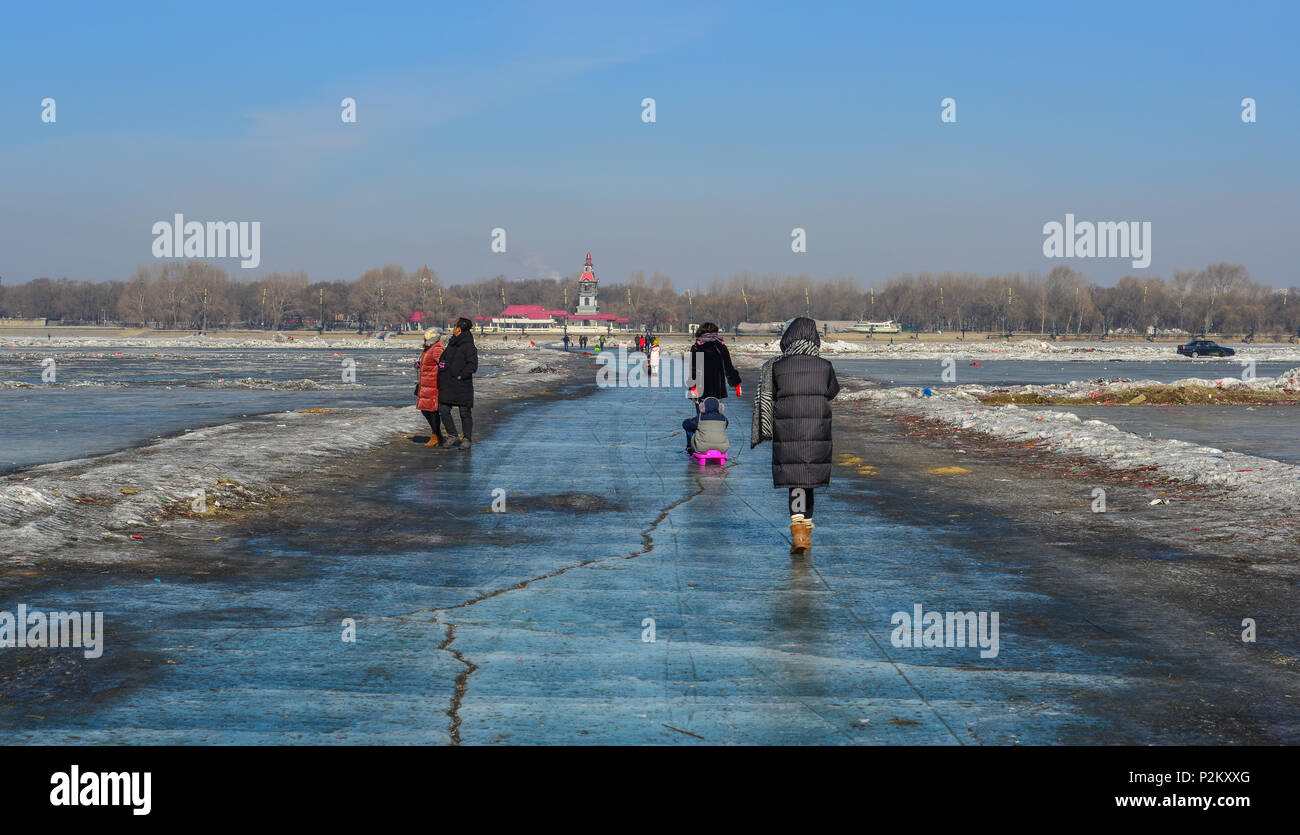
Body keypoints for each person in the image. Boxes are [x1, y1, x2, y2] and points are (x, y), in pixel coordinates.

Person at [750, 317, 839, 556]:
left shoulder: (778, 367)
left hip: (788, 431)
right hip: (817, 430)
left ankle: (798, 529)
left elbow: (772, 397)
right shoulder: (825, 366)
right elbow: (832, 391)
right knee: (809, 480)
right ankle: (805, 531)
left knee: (796, 480)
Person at [437, 317, 479, 450]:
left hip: (462, 384)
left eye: (455, 326)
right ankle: (452, 435)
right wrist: (442, 368)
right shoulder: (452, 343)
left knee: (464, 412)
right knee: (443, 409)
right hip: (447, 383)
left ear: (459, 329)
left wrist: (461, 376)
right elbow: (443, 358)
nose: (453, 328)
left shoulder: (468, 345)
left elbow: (473, 365)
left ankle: (467, 439)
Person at [688, 322, 742, 402]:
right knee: (714, 413)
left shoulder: (699, 347)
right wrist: (736, 384)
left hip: (703, 391)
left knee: (702, 413)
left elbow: (694, 370)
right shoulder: (718, 346)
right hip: (713, 391)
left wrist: (693, 387)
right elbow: (728, 367)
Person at [414, 329, 445, 447]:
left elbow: (444, 364)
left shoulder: (436, 349)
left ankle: (435, 436)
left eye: (425, 337)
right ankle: (437, 434)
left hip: (433, 385)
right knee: (426, 410)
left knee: (432, 411)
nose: (423, 339)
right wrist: (420, 364)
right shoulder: (428, 348)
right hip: (425, 384)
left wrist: (442, 366)